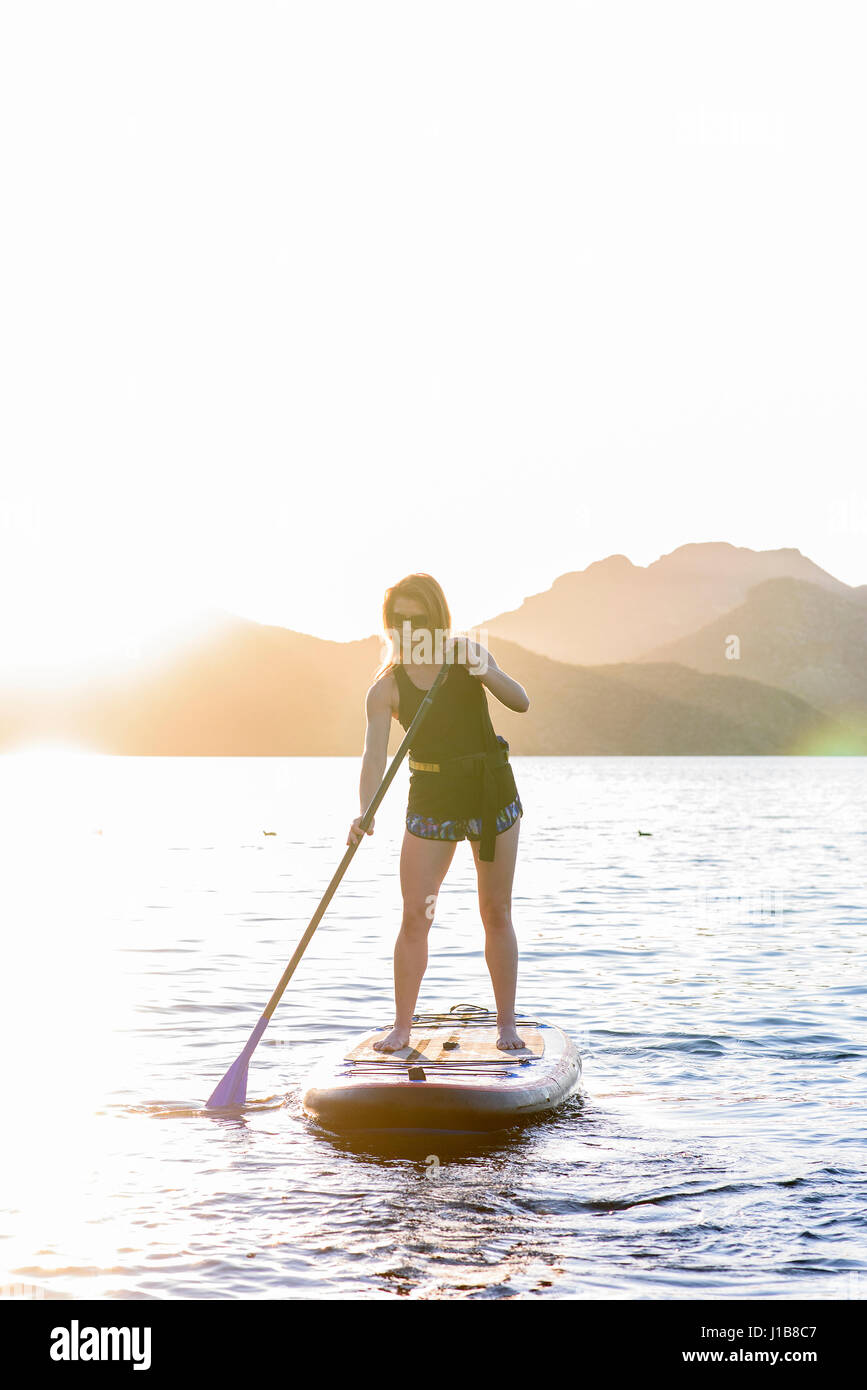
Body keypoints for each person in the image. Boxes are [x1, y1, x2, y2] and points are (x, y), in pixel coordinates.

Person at [347, 573, 530, 1051]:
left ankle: (506, 1026)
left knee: (495, 910)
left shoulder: (466, 654)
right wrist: (364, 812)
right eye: (397, 619)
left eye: (418, 617)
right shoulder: (385, 688)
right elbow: (373, 757)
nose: (407, 626)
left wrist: (484, 670)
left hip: (490, 792)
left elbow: (520, 701)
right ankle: (402, 1027)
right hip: (431, 797)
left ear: (437, 618)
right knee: (415, 916)